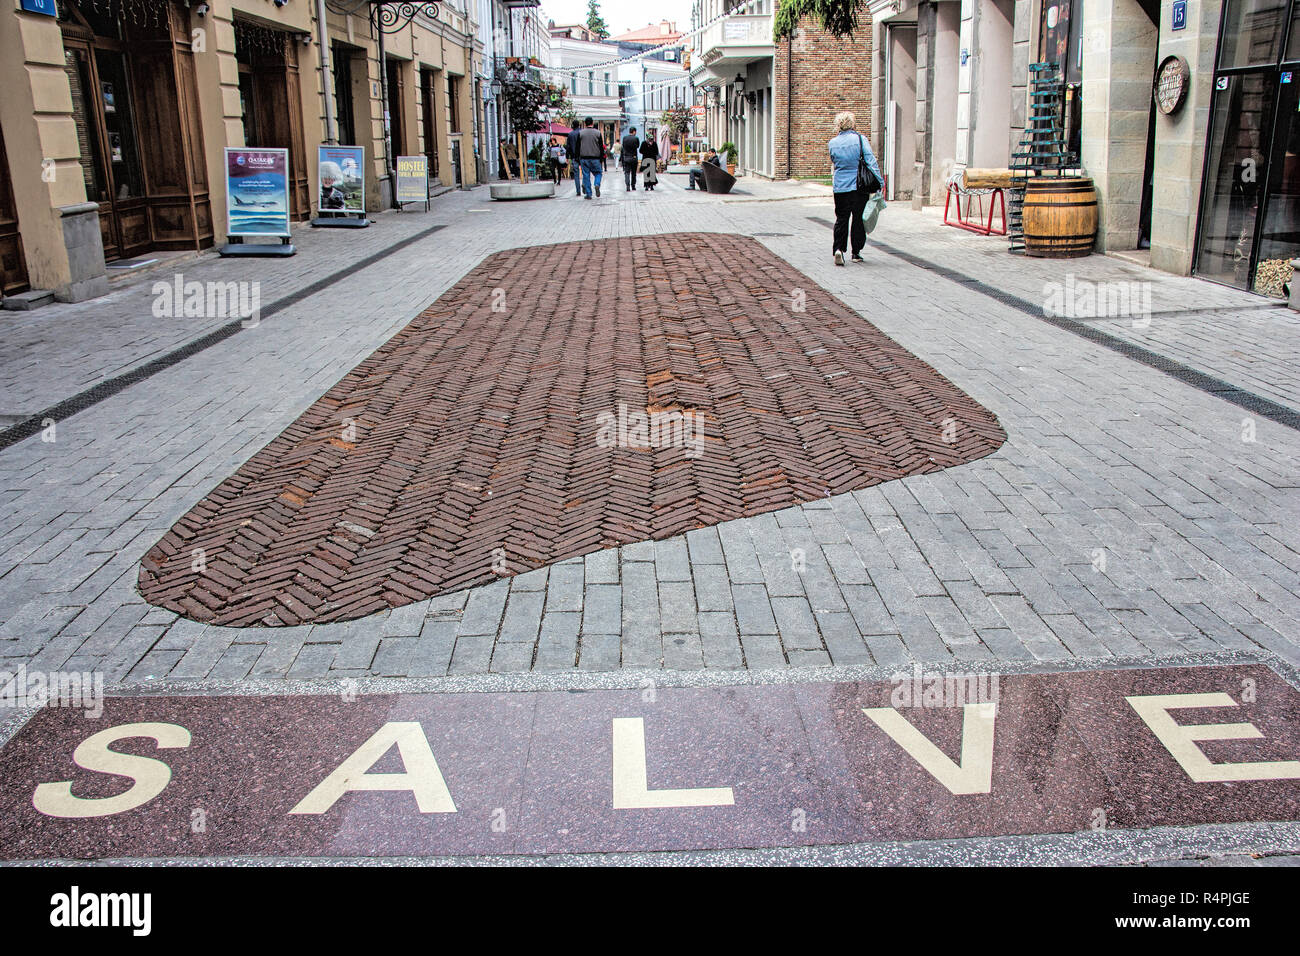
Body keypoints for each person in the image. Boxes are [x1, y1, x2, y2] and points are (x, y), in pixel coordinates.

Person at [828, 110, 884, 265]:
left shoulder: (832, 143)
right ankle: (856, 252)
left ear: (838, 125)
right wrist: (880, 181)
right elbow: (870, 161)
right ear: (852, 123)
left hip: (840, 186)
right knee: (858, 219)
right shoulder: (860, 139)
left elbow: (834, 161)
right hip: (859, 186)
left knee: (841, 218)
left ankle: (838, 249)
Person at [576, 116, 606, 199]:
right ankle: (597, 184)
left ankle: (589, 194)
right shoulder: (598, 133)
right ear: (592, 123)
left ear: (585, 124)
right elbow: (601, 147)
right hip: (595, 158)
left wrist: (578, 159)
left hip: (584, 158)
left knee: (586, 176)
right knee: (598, 173)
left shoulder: (581, 133)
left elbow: (577, 147)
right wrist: (601, 158)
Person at [621, 127, 641, 191]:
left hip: (626, 157)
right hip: (633, 157)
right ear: (634, 131)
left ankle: (627, 185)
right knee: (633, 173)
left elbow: (623, 146)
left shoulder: (624, 138)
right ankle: (633, 186)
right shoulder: (636, 138)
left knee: (627, 172)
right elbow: (638, 146)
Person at [566, 124, 583, 195]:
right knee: (585, 172)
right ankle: (584, 184)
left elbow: (568, 147)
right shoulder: (582, 132)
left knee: (576, 174)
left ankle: (578, 191)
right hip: (583, 156)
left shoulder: (570, 134)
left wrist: (567, 157)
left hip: (574, 157)